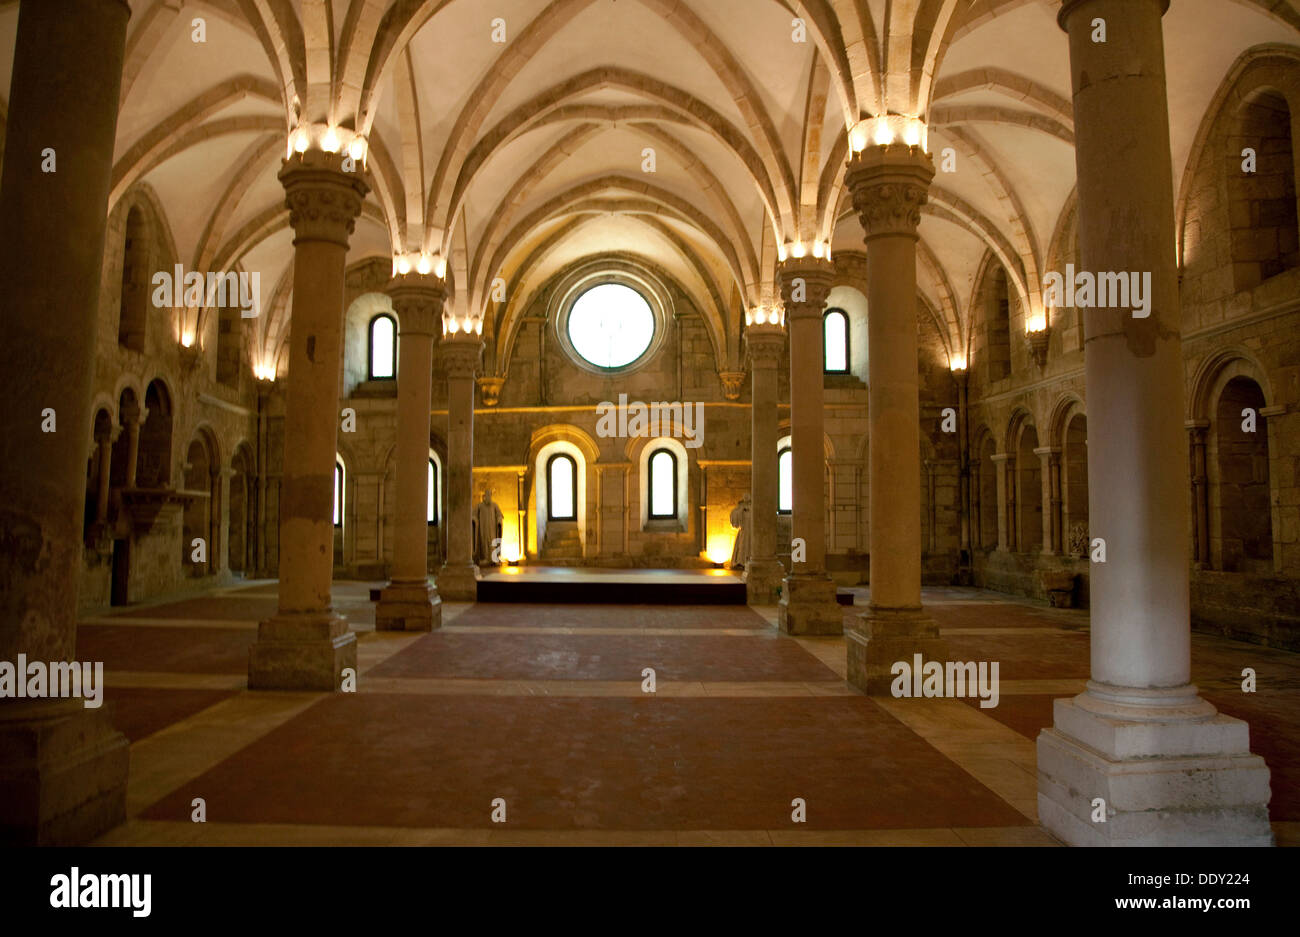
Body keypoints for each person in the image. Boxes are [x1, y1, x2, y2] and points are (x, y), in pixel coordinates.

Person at [473, 487, 504, 566]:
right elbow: (474, 515)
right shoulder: (480, 506)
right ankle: (484, 558)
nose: (488, 497)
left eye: (489, 495)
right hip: (483, 528)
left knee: (493, 542)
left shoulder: (494, 505)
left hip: (492, 528)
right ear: (484, 496)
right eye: (487, 495)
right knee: (484, 542)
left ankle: (493, 558)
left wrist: (499, 520)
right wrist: (474, 520)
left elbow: (499, 514)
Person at [729, 494, 751, 569]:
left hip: (752, 532)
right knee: (742, 545)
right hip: (744, 531)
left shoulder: (754, 507)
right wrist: (741, 511)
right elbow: (734, 516)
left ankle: (748, 561)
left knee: (750, 545)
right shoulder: (740, 507)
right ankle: (741, 562)